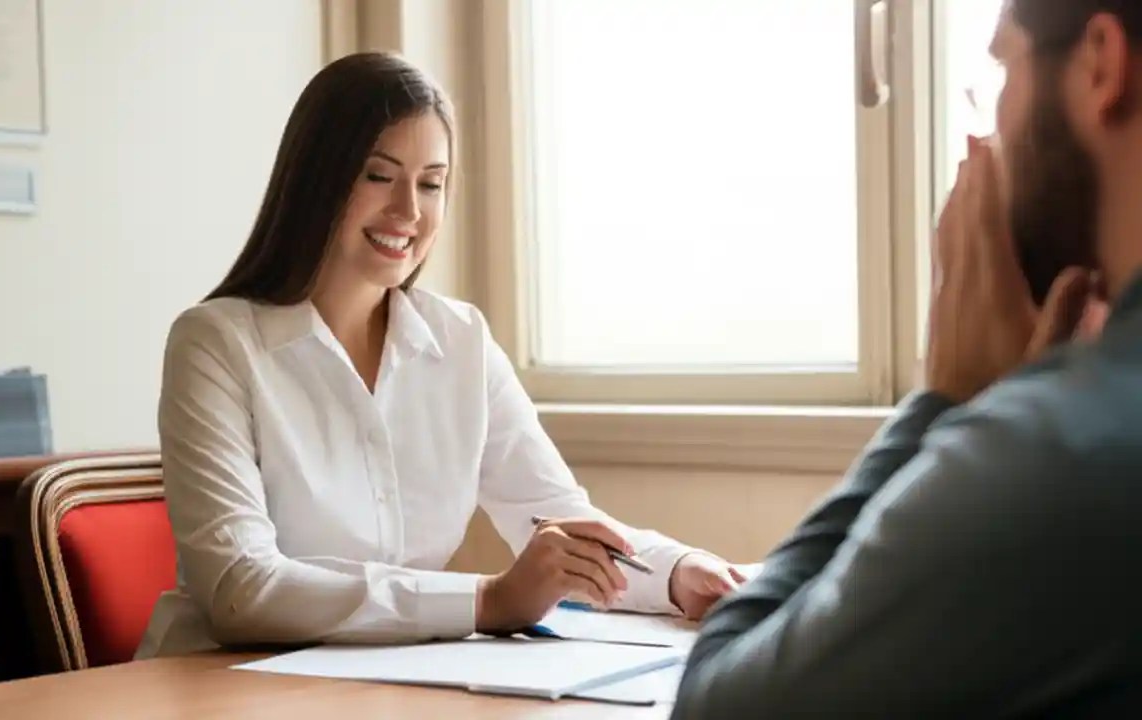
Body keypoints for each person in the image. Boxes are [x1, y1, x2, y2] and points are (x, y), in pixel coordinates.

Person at [135, 52, 745, 659]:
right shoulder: (215, 344)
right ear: (317, 177)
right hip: (224, 686)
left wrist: (678, 573)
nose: (409, 211)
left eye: (431, 183)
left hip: (387, 682)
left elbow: (557, 521)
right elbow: (242, 589)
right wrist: (487, 601)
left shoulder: (460, 341)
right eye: (379, 176)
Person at [673, 1, 1142, 716]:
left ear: (1101, 64)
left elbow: (718, 705)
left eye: (1003, 66)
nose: (994, 124)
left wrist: (946, 400)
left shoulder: (1055, 455)